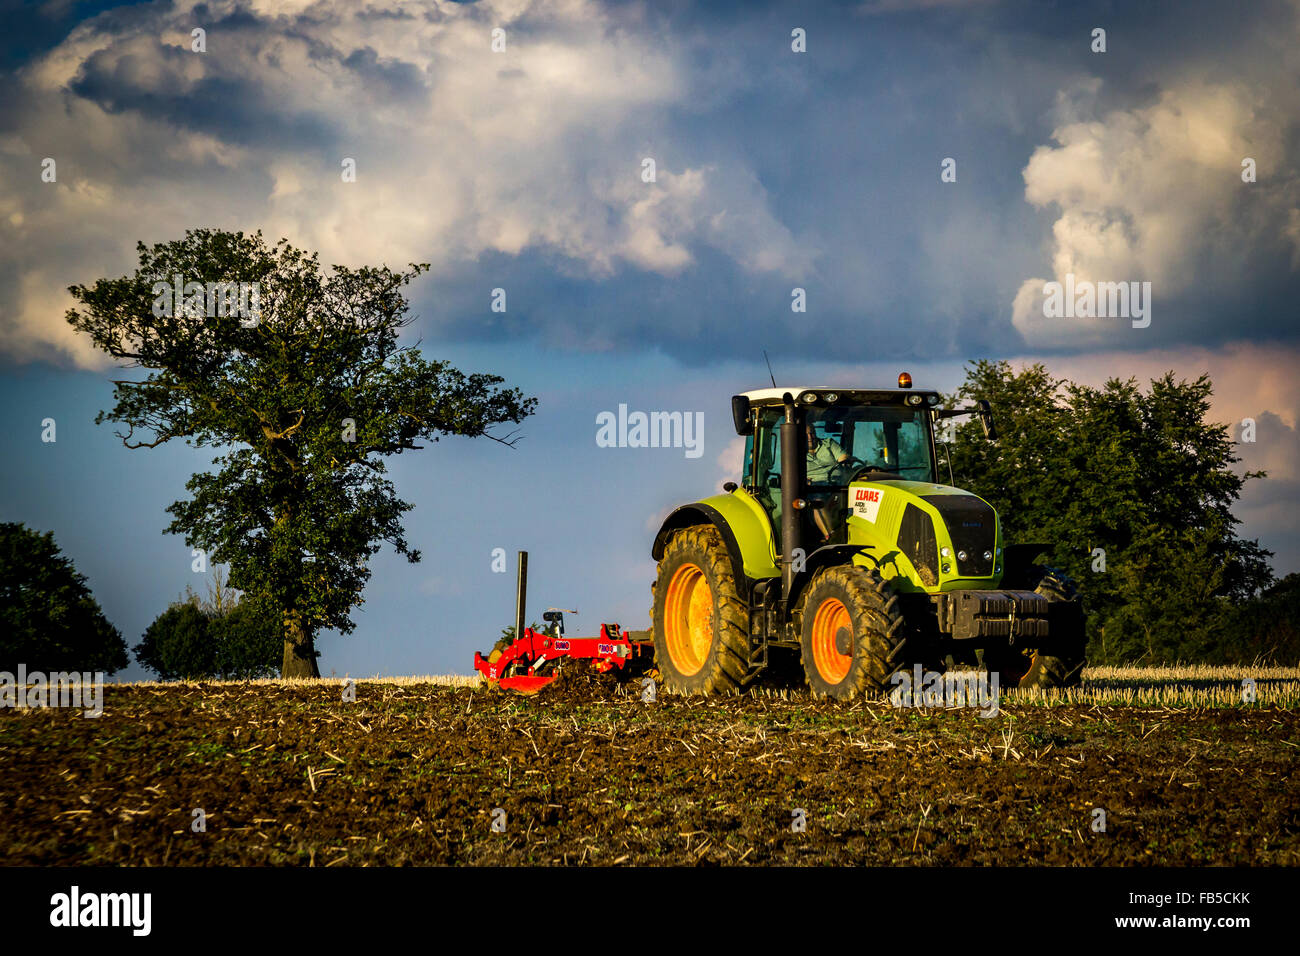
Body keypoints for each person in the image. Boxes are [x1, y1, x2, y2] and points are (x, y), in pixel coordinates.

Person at [805, 422, 848, 542]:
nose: (810, 437)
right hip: (814, 485)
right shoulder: (796, 451)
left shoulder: (828, 443)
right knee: (817, 502)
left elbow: (843, 457)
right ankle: (831, 536)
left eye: (812, 433)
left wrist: (843, 462)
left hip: (837, 482)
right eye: (806, 434)